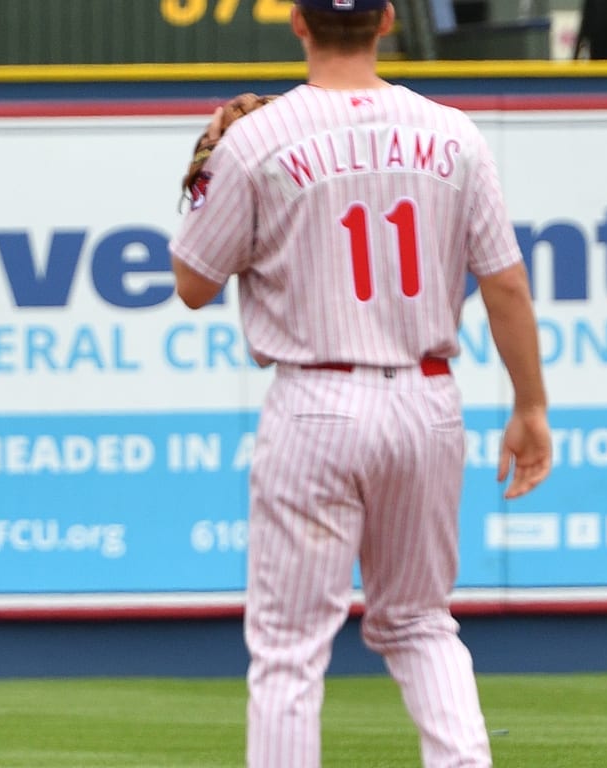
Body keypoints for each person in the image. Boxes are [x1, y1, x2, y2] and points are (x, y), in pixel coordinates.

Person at [168, 2, 552, 767]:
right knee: (420, 624)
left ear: (299, 25)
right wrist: (531, 403)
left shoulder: (259, 139)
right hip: (427, 397)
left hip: (315, 402)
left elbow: (193, 283)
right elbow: (504, 285)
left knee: (288, 646)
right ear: (385, 21)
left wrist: (209, 174)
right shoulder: (453, 133)